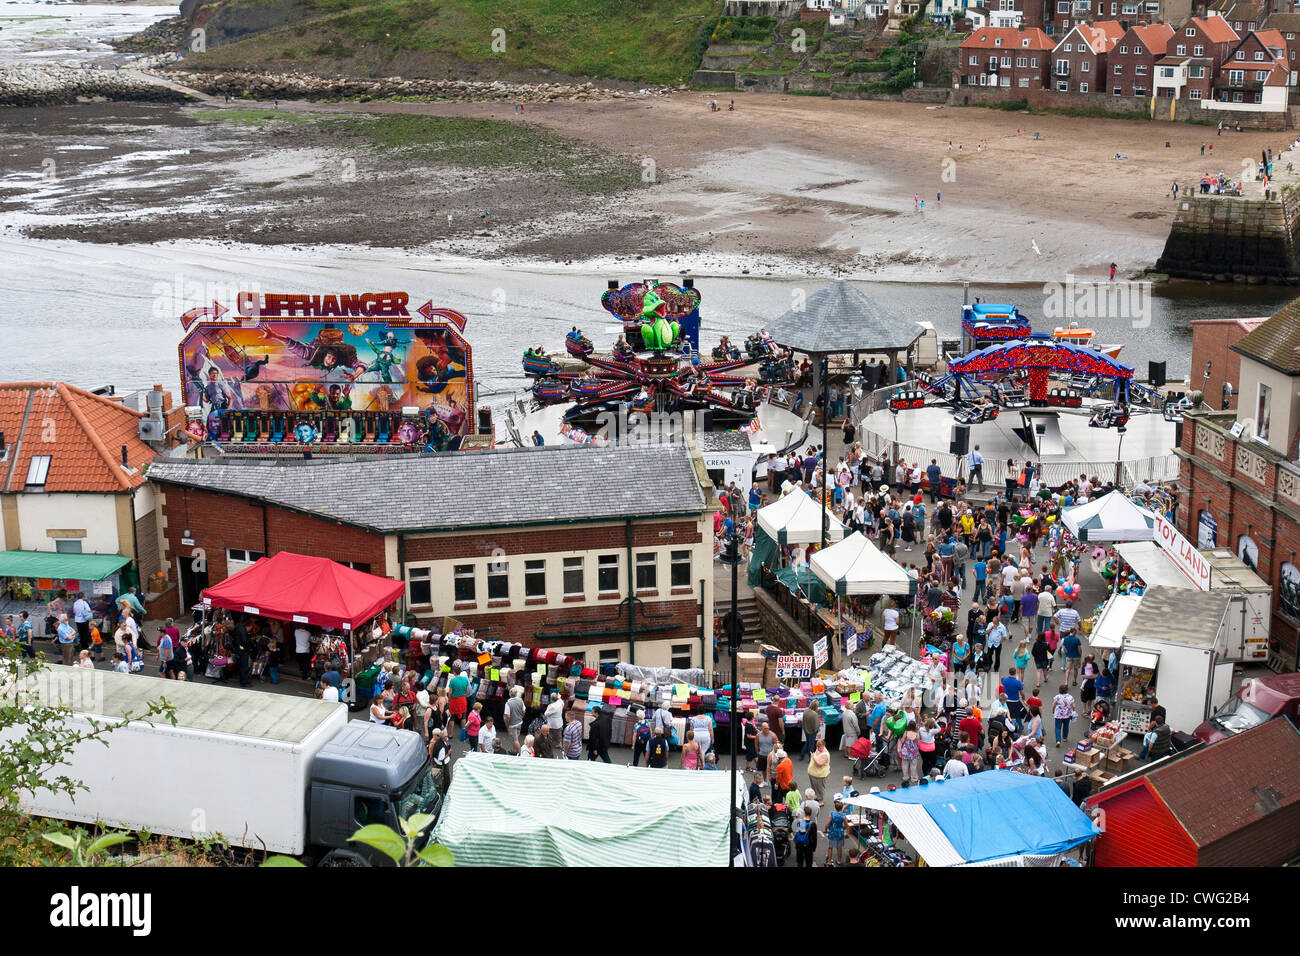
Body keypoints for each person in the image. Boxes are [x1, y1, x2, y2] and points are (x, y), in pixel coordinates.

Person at [793, 804, 818, 868]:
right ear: (810, 813)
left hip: (799, 844)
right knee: (809, 862)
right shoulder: (812, 824)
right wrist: (814, 847)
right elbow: (815, 837)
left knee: (800, 862)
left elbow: (795, 832)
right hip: (808, 845)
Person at [1052, 683, 1076, 747]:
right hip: (1067, 715)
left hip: (1058, 715)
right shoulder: (1070, 697)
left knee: (1057, 728)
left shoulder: (1057, 697)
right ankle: (1065, 738)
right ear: (1067, 690)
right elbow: (1073, 706)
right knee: (1066, 726)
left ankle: (1058, 740)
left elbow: (1054, 705)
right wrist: (1073, 711)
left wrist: (1053, 711)